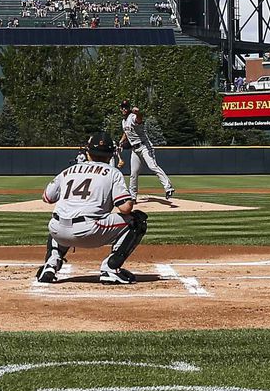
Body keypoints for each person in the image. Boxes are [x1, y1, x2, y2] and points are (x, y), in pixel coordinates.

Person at [36, 137, 148, 286]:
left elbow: (47, 197)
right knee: (136, 220)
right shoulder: (113, 172)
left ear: (88, 152)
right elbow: (125, 208)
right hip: (90, 231)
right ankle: (111, 268)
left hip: (58, 232)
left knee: (60, 218)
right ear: (111, 155)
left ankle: (51, 265)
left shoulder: (68, 170)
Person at [120, 99, 174, 202]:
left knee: (152, 166)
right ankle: (132, 196)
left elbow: (139, 119)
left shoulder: (133, 117)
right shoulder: (123, 121)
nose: (124, 109)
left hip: (144, 146)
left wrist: (138, 113)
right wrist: (121, 141)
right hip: (135, 149)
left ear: (129, 108)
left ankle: (168, 187)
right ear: (120, 109)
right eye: (122, 107)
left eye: (126, 107)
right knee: (133, 173)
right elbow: (126, 132)